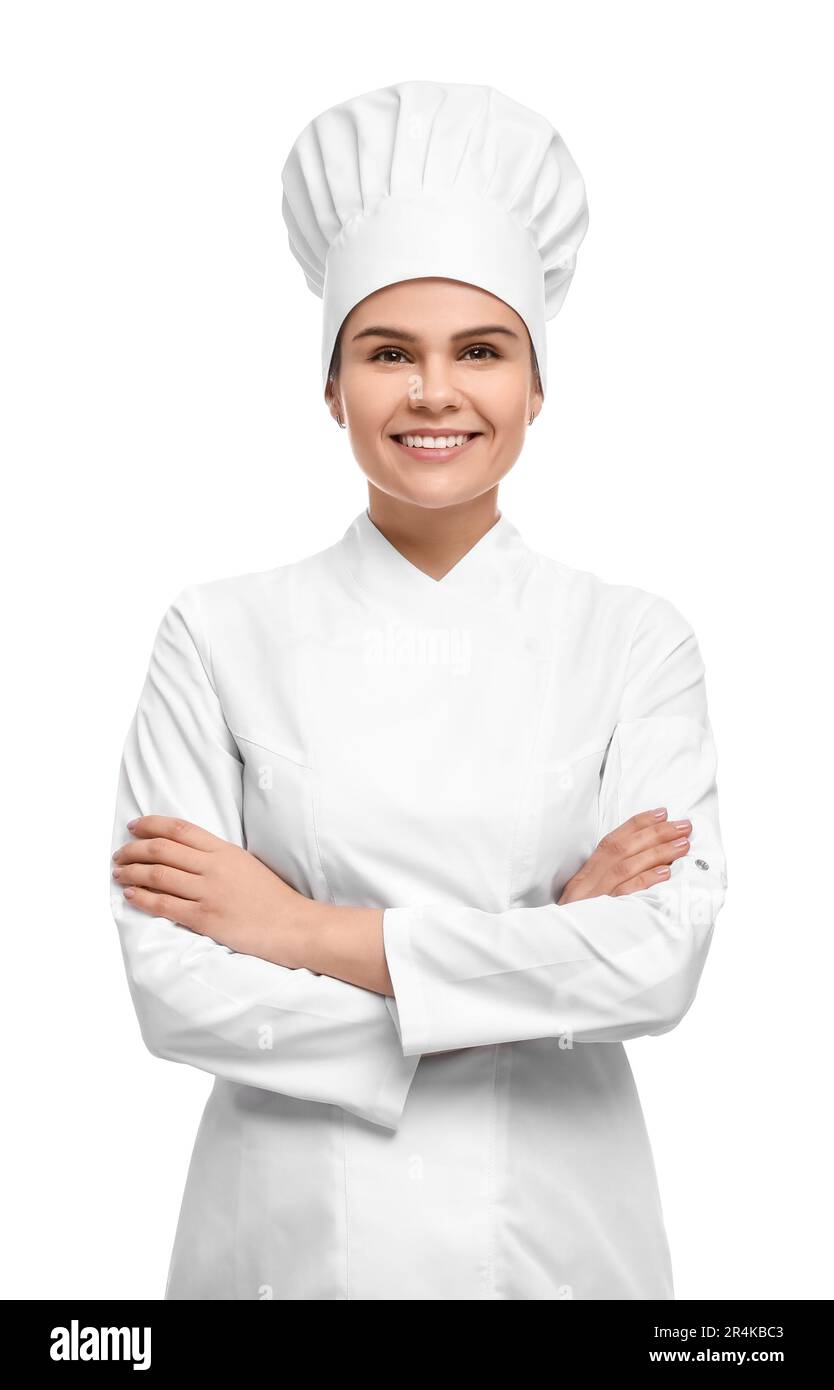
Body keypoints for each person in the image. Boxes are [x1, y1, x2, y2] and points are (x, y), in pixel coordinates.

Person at [109, 80, 728, 1301]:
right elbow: (174, 986)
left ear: (536, 387)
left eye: (481, 352)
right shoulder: (216, 634)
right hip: (285, 1242)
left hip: (555, 1241)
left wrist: (301, 933)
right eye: (389, 353)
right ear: (333, 387)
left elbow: (655, 962)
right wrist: (543, 951)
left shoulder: (635, 641)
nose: (434, 392)